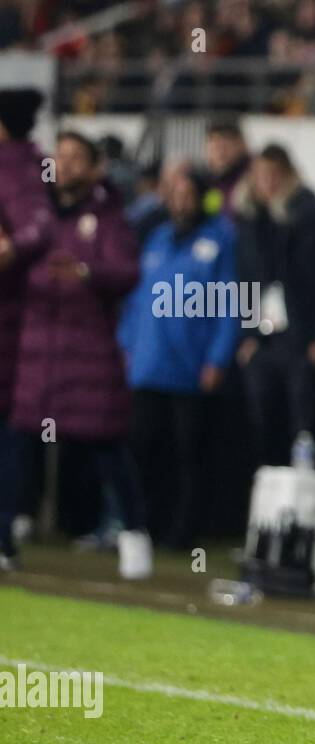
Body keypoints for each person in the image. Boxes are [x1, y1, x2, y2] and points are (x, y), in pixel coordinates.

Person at [8, 131, 150, 578]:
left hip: (87, 351)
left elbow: (129, 272)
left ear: (94, 169)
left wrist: (87, 272)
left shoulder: (108, 218)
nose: (64, 166)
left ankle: (134, 536)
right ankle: (4, 540)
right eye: (60, 157)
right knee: (14, 447)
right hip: (34, 355)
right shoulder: (32, 217)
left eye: (75, 158)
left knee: (106, 446)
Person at [117, 163, 241, 550]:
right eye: (175, 194)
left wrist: (218, 358)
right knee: (142, 450)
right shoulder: (156, 239)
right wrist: (127, 346)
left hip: (190, 367)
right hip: (149, 366)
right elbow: (138, 301)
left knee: (188, 455)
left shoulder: (221, 240)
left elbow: (230, 304)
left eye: (188, 194)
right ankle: (142, 526)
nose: (181, 201)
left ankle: (183, 533)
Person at [234, 144, 315, 470]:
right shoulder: (249, 224)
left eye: (273, 175)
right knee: (263, 423)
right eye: (260, 176)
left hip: (304, 342)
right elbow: (245, 283)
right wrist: (248, 335)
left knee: (308, 426)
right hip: (266, 341)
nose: (267, 183)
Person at [0, 88, 55, 571]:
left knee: (9, 427)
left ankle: (5, 533)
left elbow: (38, 229)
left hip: (9, 318)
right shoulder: (25, 163)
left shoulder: (14, 165)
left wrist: (11, 248)